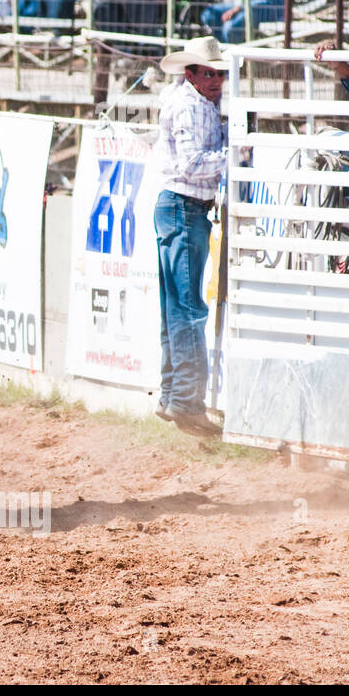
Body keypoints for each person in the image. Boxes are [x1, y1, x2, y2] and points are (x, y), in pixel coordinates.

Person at [152, 36, 230, 437]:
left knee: (176, 308)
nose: (217, 80)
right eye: (210, 73)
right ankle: (185, 400)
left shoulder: (186, 101)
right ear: (192, 73)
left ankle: (173, 394)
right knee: (187, 308)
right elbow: (192, 162)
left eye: (220, 73)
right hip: (185, 207)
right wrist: (234, 154)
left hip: (177, 208)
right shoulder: (193, 106)